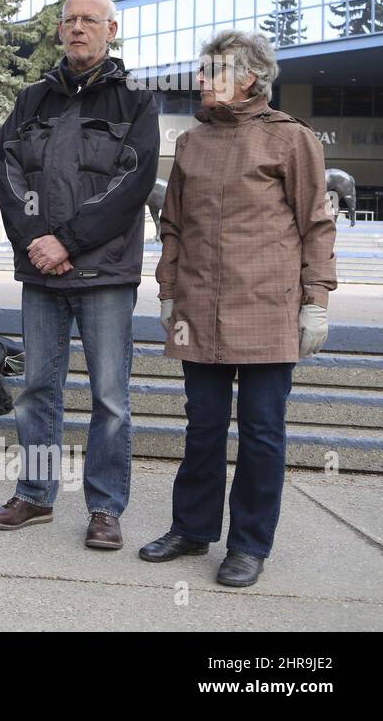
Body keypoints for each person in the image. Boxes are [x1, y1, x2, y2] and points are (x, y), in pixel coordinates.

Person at [140, 30, 336, 587]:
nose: (199, 81)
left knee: (262, 431)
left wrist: (315, 300)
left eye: (211, 73)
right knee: (202, 426)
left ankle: (249, 544)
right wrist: (168, 291)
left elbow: (317, 225)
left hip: (269, 311)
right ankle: (192, 529)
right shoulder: (193, 143)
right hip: (198, 308)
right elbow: (172, 223)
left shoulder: (292, 140)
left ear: (247, 79)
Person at [0, 0, 160, 550]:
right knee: (37, 387)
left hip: (104, 273)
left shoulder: (135, 100)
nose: (79, 28)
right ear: (59, 31)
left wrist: (67, 242)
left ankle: (105, 508)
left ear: (113, 30)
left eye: (91, 20)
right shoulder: (32, 99)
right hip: (41, 272)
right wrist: (36, 239)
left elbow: (130, 185)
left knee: (110, 395)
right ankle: (34, 496)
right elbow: (8, 176)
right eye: (70, 20)